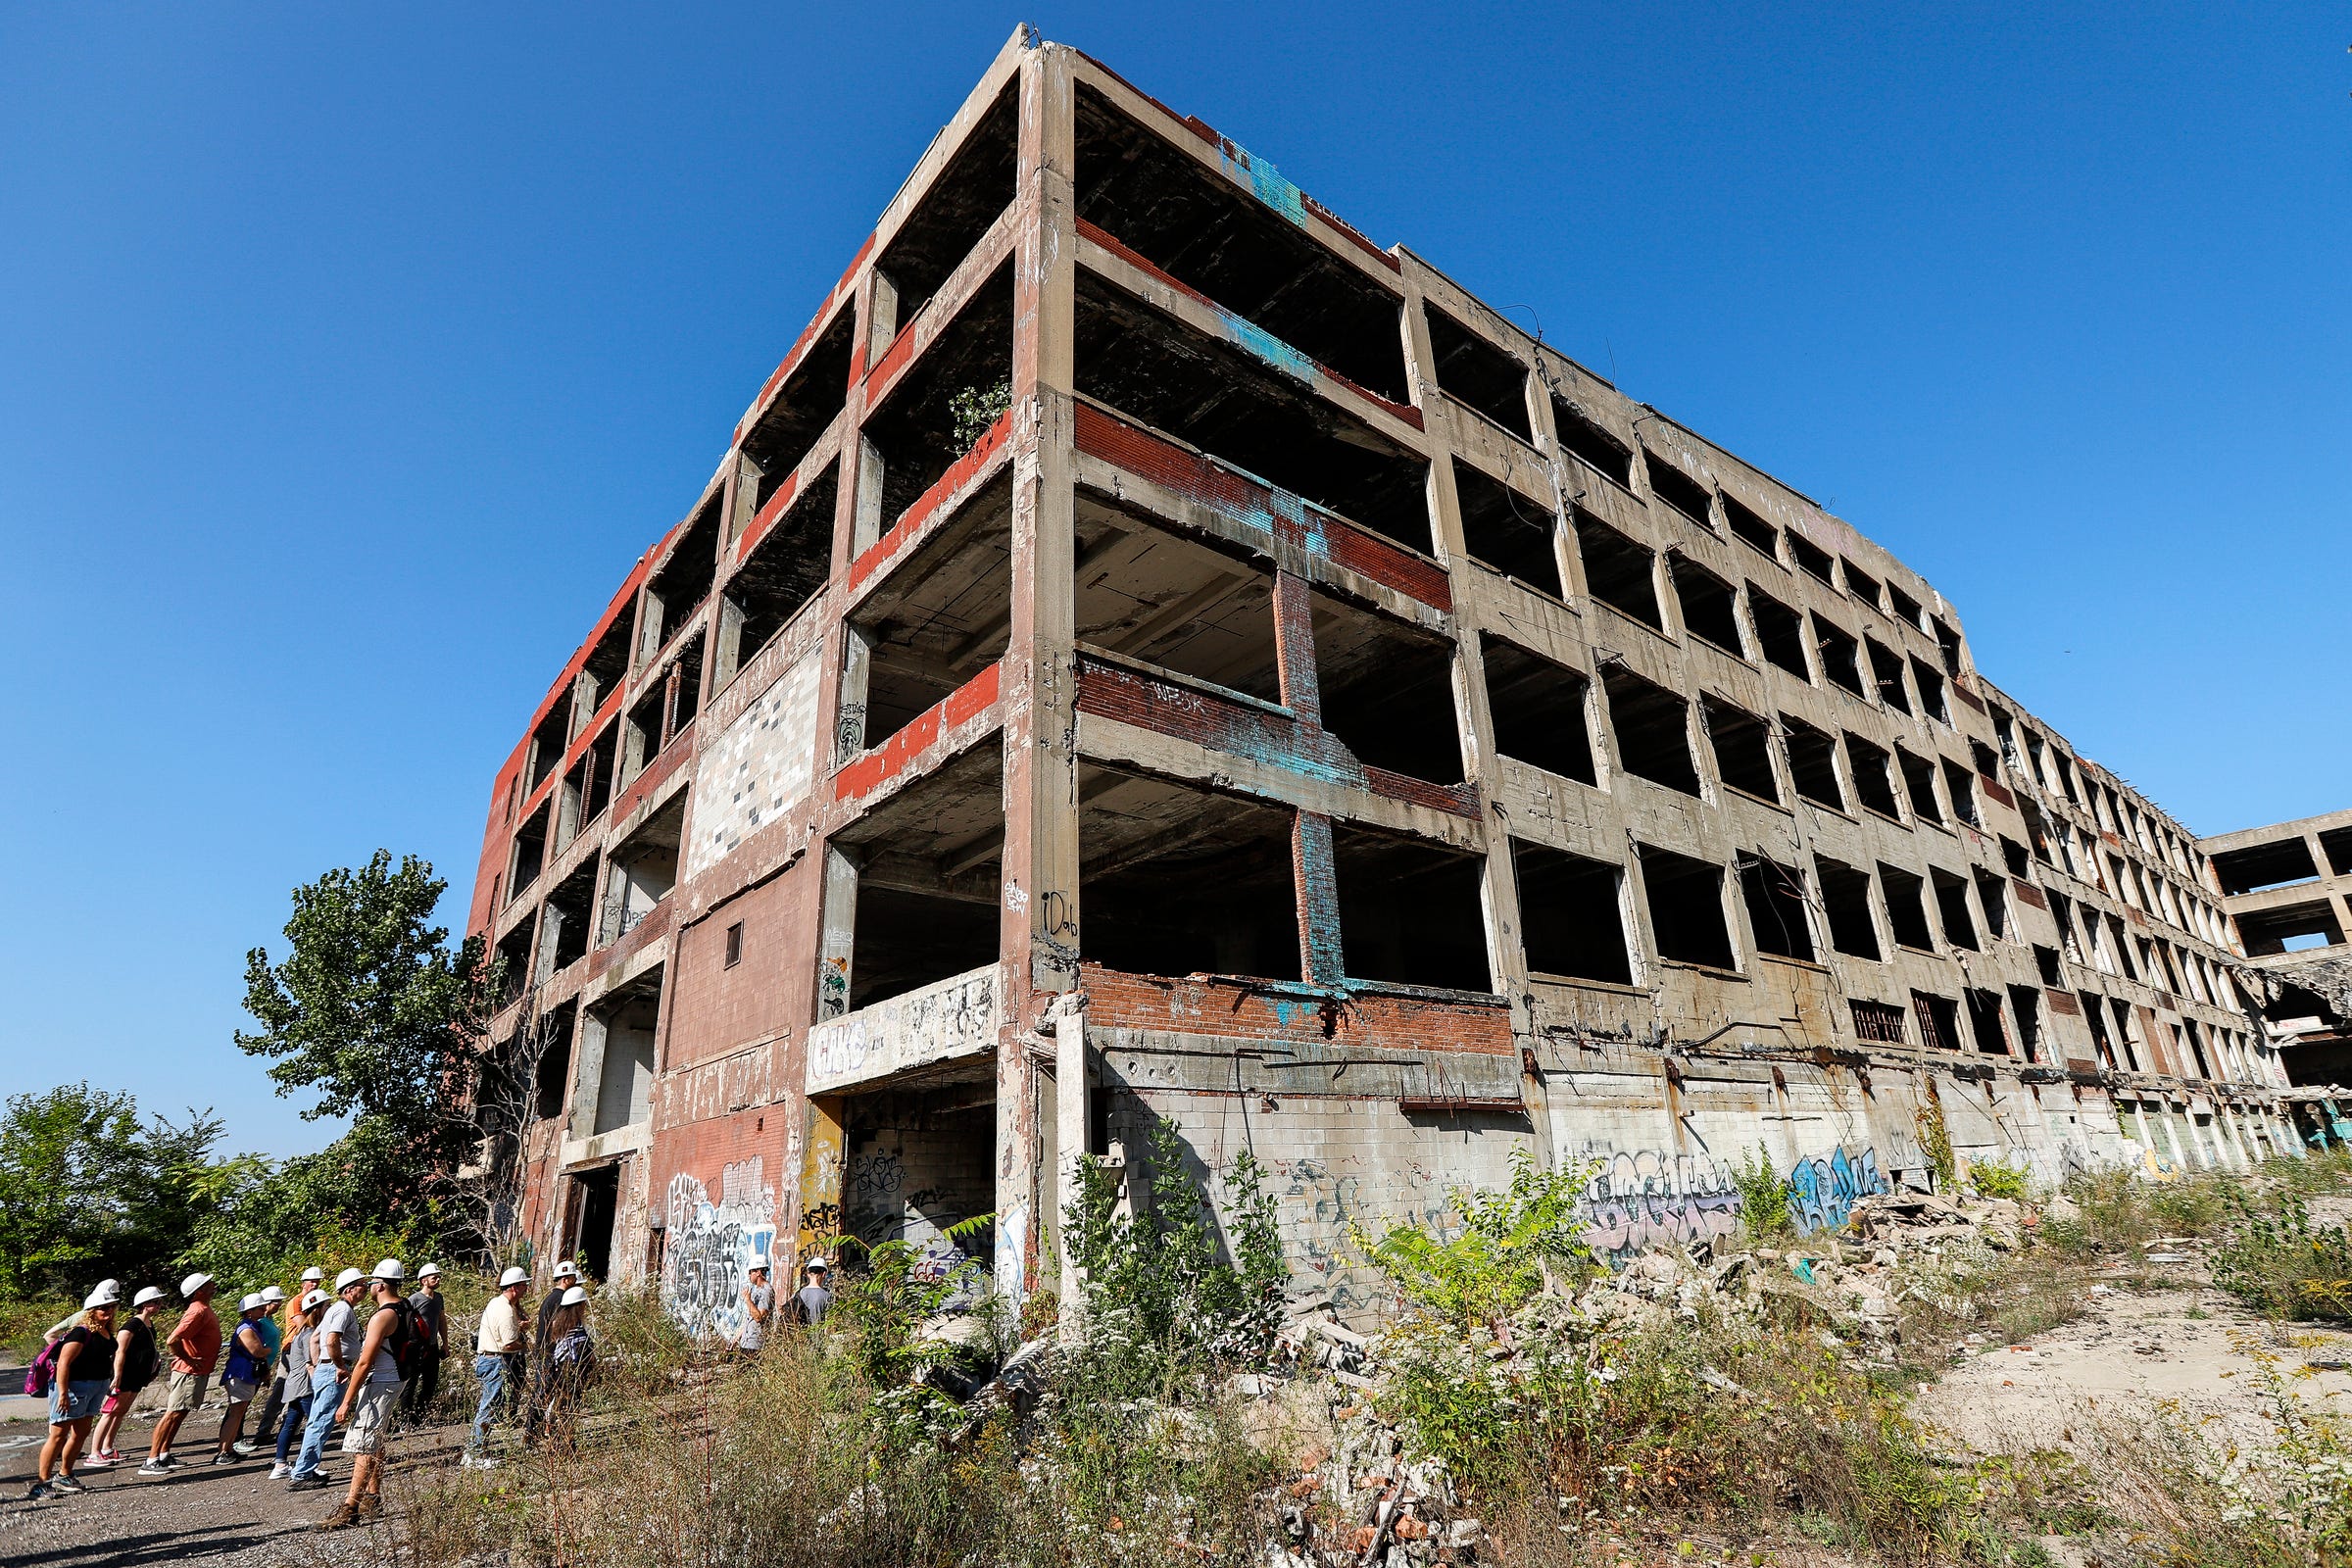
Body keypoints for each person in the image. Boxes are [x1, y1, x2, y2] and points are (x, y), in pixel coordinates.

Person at [316, 1259, 415, 1532]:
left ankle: (350, 1508)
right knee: (376, 1437)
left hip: (380, 1383)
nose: (368, 1286)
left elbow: (364, 1362)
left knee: (363, 1444)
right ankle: (373, 1495)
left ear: (381, 1285)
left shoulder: (382, 1317)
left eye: (371, 1282)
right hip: (396, 1379)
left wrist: (346, 1400)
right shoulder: (405, 1305)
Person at [27, 1285, 118, 1498]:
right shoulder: (80, 1332)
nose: (108, 1311)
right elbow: (63, 1364)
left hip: (96, 1387)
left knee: (81, 1433)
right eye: (102, 1307)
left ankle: (65, 1475)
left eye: (111, 1306)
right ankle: (41, 1483)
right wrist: (64, 1393)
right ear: (91, 1311)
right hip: (74, 1387)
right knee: (58, 1435)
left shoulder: (105, 1332)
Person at [289, 1267, 368, 1492]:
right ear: (350, 1289)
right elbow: (332, 1340)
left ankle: (305, 1468)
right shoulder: (343, 1310)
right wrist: (339, 1367)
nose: (365, 1288)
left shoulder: (336, 1309)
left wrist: (318, 1367)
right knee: (322, 1422)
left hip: (327, 1370)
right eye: (362, 1284)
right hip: (334, 1370)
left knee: (318, 1421)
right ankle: (302, 1472)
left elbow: (316, 1338)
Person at [140, 1272, 220, 1475]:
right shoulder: (197, 1311)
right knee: (173, 1413)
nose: (213, 1285)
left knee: (180, 1413)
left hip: (194, 1371)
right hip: (188, 1372)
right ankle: (151, 1460)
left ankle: (164, 1454)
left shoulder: (202, 1309)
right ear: (199, 1290)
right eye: (208, 1283)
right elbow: (172, 1340)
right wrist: (188, 1359)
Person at [88, 1285, 165, 1467]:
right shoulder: (132, 1325)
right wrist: (117, 1376)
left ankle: (107, 1448)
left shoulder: (148, 1324)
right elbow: (120, 1351)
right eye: (157, 1302)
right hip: (125, 1376)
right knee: (110, 1412)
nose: (160, 1305)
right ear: (145, 1304)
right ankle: (94, 1453)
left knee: (120, 1412)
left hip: (138, 1377)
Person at [463, 1266, 529, 1469]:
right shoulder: (504, 1309)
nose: (527, 1288)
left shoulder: (501, 1304)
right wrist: (526, 1344)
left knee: (490, 1407)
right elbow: (508, 1344)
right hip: (495, 1361)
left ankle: (478, 1449)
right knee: (488, 1408)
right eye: (524, 1285)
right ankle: (474, 1453)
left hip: (491, 1360)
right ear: (515, 1287)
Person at [270, 1289, 328, 1480]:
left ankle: (280, 1464)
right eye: (326, 1306)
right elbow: (310, 1364)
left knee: (290, 1424)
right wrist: (320, 1386)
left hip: (294, 1385)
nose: (329, 1308)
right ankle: (310, 1465)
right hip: (305, 1386)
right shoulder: (311, 1334)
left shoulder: (300, 1333)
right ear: (317, 1310)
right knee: (316, 1425)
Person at [521, 1259, 578, 1447]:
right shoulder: (561, 1300)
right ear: (567, 1279)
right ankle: (531, 1434)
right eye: (573, 1277)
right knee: (544, 1392)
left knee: (545, 1392)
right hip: (549, 1352)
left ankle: (534, 1433)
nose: (575, 1280)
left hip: (544, 1351)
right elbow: (556, 1327)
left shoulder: (550, 1298)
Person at [212, 1294, 273, 1463]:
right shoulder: (246, 1329)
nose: (264, 1310)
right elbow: (257, 1351)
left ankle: (229, 1449)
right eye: (260, 1308)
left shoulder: (253, 1326)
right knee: (235, 1413)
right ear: (249, 1311)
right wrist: (269, 1349)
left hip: (246, 1373)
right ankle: (223, 1451)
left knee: (238, 1413)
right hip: (240, 1374)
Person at [537, 1286, 598, 1450]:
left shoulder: (560, 1325)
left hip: (560, 1371)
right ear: (579, 1305)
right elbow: (580, 1354)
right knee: (568, 1409)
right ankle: (566, 1444)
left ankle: (559, 1442)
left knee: (562, 1407)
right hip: (571, 1373)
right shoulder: (576, 1329)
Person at [240, 1285, 293, 1455]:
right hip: (255, 1367)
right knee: (241, 1404)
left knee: (245, 1402)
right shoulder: (261, 1322)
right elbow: (256, 1344)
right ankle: (237, 1438)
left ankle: (244, 1436)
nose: (278, 1304)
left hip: (263, 1366)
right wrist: (264, 1364)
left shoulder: (268, 1320)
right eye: (276, 1301)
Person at [397, 1262, 448, 1427]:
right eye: (434, 1277)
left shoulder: (439, 1298)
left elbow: (441, 1320)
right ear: (424, 1280)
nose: (438, 1279)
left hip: (432, 1348)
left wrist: (445, 1343)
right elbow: (406, 1324)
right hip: (415, 1350)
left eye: (438, 1277)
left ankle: (419, 1418)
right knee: (409, 1386)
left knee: (430, 1384)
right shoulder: (414, 1300)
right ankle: (405, 1421)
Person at [738, 1262, 772, 1355]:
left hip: (755, 1344)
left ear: (758, 1272)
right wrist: (737, 1338)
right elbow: (750, 1317)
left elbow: (759, 1317)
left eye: (750, 1271)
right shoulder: (755, 1290)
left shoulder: (766, 1291)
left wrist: (748, 1300)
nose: (749, 1275)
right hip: (746, 1342)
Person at [792, 1257, 834, 1325]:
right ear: (824, 1274)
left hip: (799, 1334)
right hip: (818, 1334)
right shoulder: (827, 1296)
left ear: (808, 1274)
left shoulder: (799, 1293)